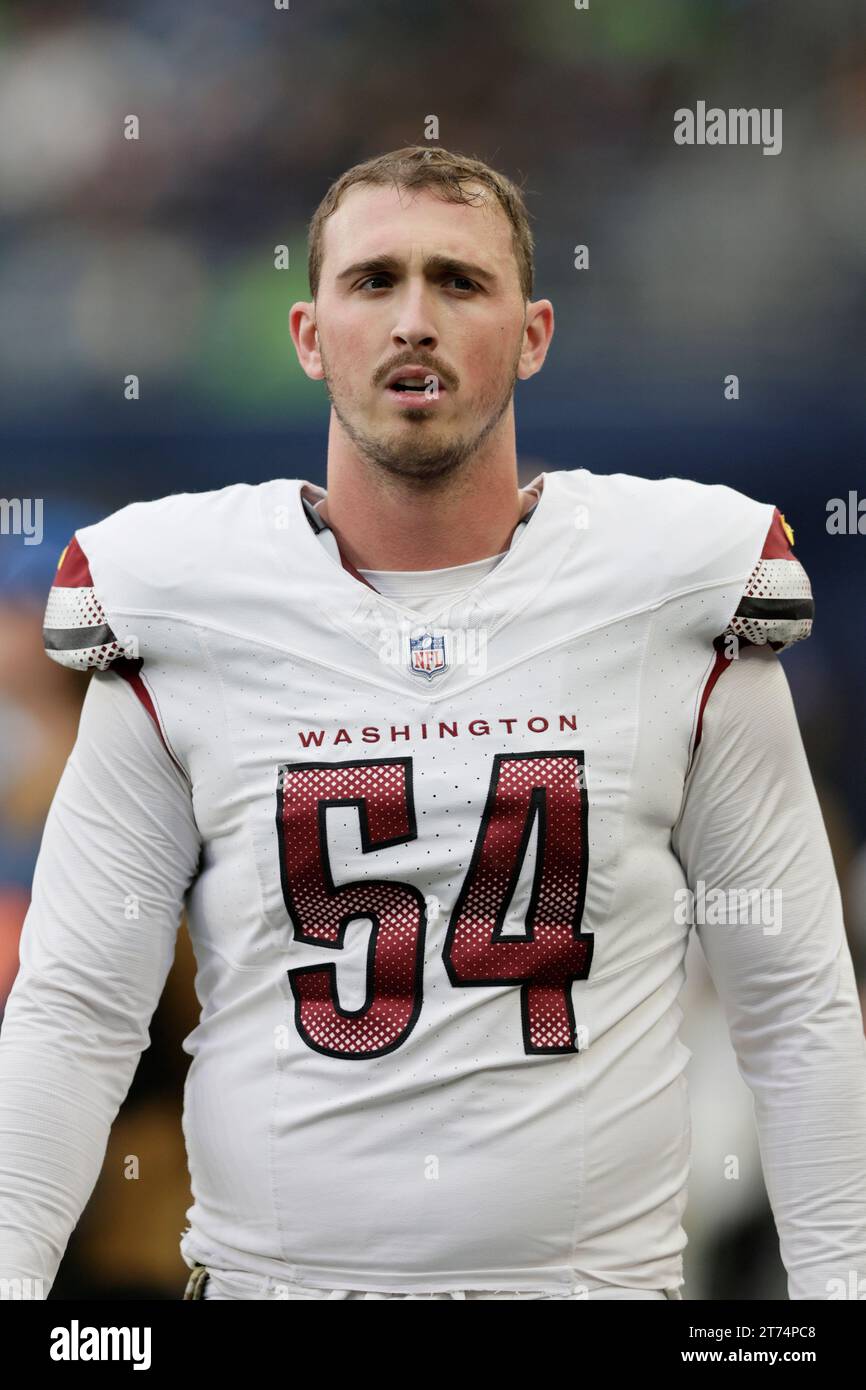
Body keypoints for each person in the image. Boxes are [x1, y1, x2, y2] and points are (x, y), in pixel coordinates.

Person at [1, 146, 864, 1302]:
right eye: (374, 281)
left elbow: (796, 1004)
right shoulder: (179, 604)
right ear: (309, 335)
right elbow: (74, 1009)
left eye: (459, 282)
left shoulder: (676, 594)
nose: (415, 319)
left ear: (532, 333)